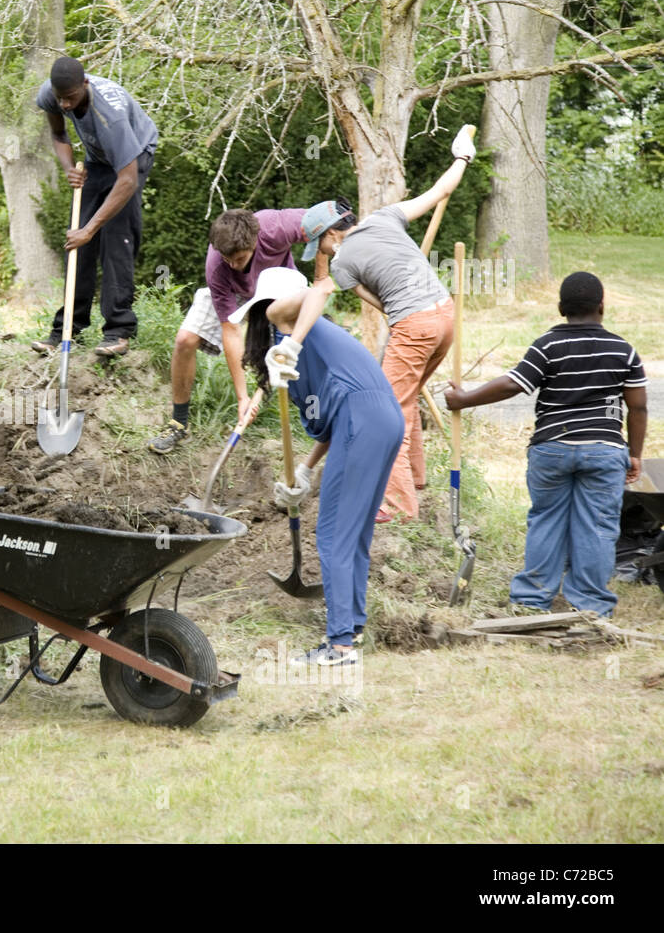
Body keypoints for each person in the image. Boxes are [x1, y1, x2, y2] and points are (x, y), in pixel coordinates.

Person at [444, 272, 647, 618]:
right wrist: (635, 454)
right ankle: (592, 607)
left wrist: (464, 399)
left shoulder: (547, 346)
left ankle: (530, 600)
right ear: (602, 307)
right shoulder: (623, 350)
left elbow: (513, 384)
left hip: (551, 447)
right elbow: (638, 406)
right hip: (604, 449)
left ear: (560, 308)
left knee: (547, 520)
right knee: (597, 525)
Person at [303, 124, 478, 522]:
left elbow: (379, 305)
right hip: (446, 314)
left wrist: (405, 320)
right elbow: (440, 193)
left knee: (387, 411)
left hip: (414, 325)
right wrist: (461, 156)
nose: (324, 253)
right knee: (407, 395)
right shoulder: (385, 217)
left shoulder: (343, 263)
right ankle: (413, 479)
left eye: (322, 245)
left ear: (333, 234)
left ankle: (398, 507)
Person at [237, 267, 403, 665]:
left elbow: (322, 288)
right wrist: (306, 470)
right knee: (354, 533)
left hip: (363, 417)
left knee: (331, 535)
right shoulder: (294, 358)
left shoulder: (286, 324)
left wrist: (289, 342)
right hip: (380, 420)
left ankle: (339, 645)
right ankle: (354, 629)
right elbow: (330, 426)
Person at [147, 207, 335, 453]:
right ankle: (178, 423)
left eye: (240, 259)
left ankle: (320, 415)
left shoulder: (276, 226)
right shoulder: (218, 265)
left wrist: (321, 279)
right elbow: (231, 329)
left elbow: (323, 222)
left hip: (277, 286)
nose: (234, 265)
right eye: (228, 259)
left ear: (255, 241)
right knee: (185, 339)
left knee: (305, 343)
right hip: (234, 293)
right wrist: (242, 397)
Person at [30, 56, 157, 359]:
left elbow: (126, 180)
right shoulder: (53, 95)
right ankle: (66, 330)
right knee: (77, 242)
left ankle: (118, 330)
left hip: (133, 157)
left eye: (71, 98)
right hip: (98, 158)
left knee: (116, 239)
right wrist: (67, 168)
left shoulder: (109, 116)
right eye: (60, 98)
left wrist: (90, 229)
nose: (65, 105)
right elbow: (59, 134)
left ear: (85, 85)